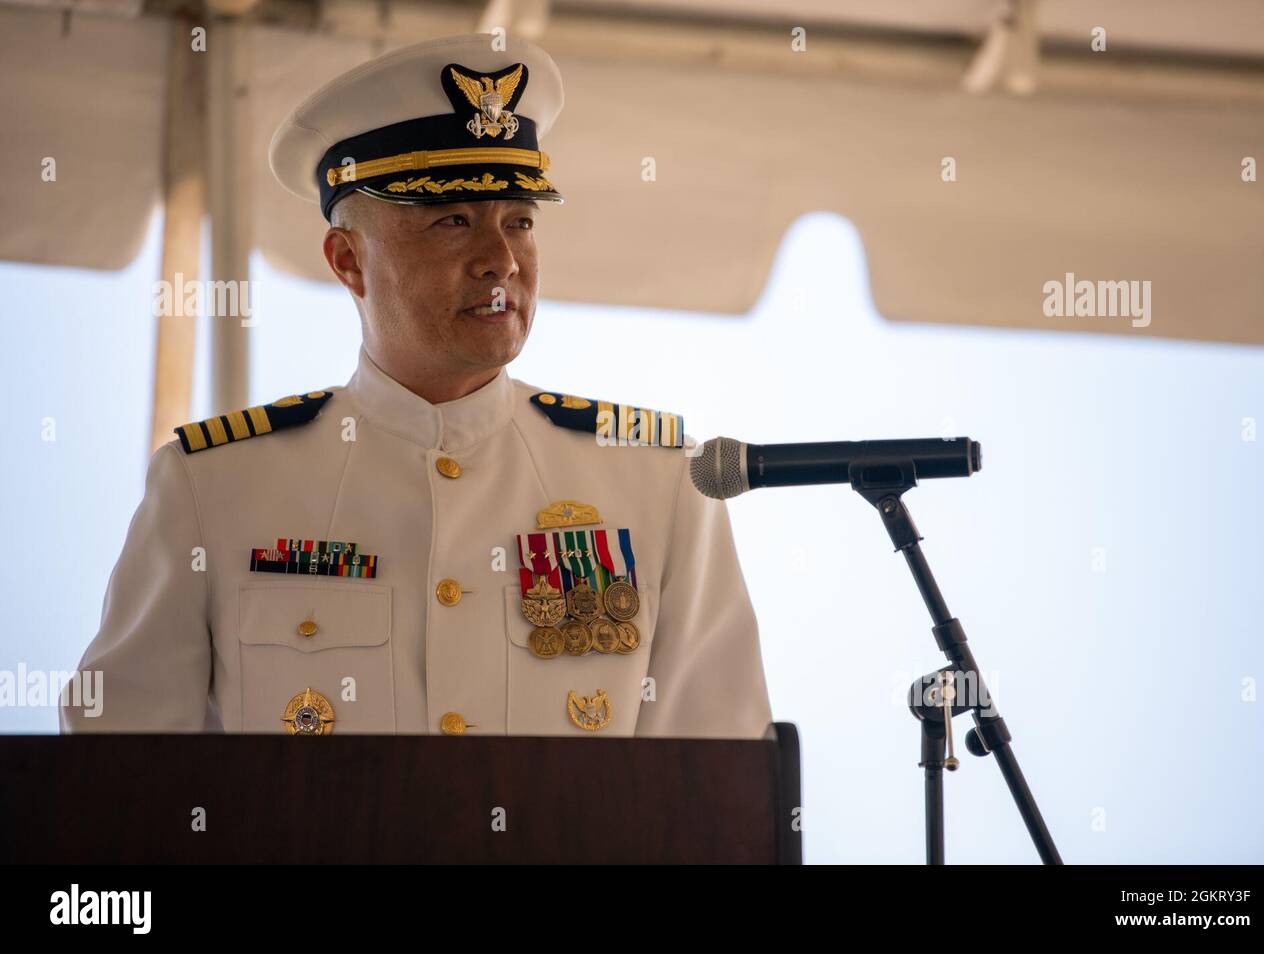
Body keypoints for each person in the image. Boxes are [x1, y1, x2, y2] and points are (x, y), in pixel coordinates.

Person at [60, 32, 772, 738]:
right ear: (347, 260)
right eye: (453, 221)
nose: (500, 259)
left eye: (519, 221)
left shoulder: (660, 482)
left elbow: (718, 787)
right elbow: (118, 778)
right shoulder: (211, 487)